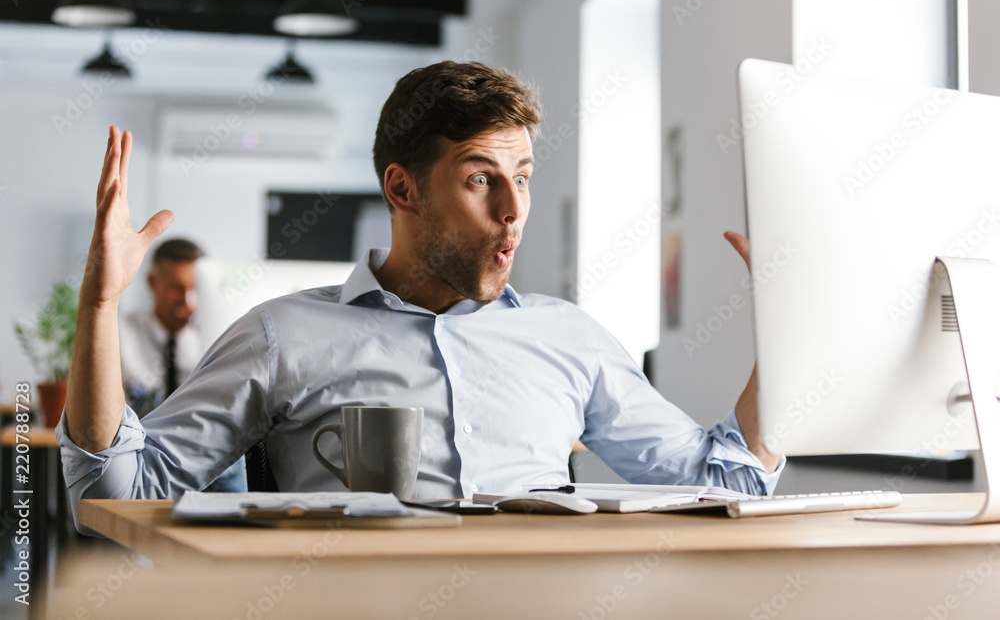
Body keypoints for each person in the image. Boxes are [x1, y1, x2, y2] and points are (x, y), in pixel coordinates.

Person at [58, 61, 782, 527]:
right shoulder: (284, 334)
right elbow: (117, 490)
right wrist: (96, 311)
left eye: (523, 176)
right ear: (402, 188)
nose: (513, 209)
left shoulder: (569, 338)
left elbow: (727, 484)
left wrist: (784, 332)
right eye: (480, 178)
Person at [119, 238, 246, 493]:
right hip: (140, 455)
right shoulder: (122, 334)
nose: (187, 301)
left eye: (195, 288)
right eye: (176, 288)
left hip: (202, 456)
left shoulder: (216, 336)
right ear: (152, 283)